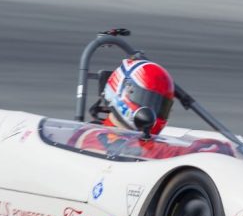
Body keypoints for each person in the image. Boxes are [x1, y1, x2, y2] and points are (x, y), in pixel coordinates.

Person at [69, 57, 233, 159]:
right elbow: (146, 152)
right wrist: (195, 151)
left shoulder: (136, 140)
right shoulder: (94, 136)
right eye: (148, 100)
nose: (154, 112)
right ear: (125, 91)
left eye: (161, 106)